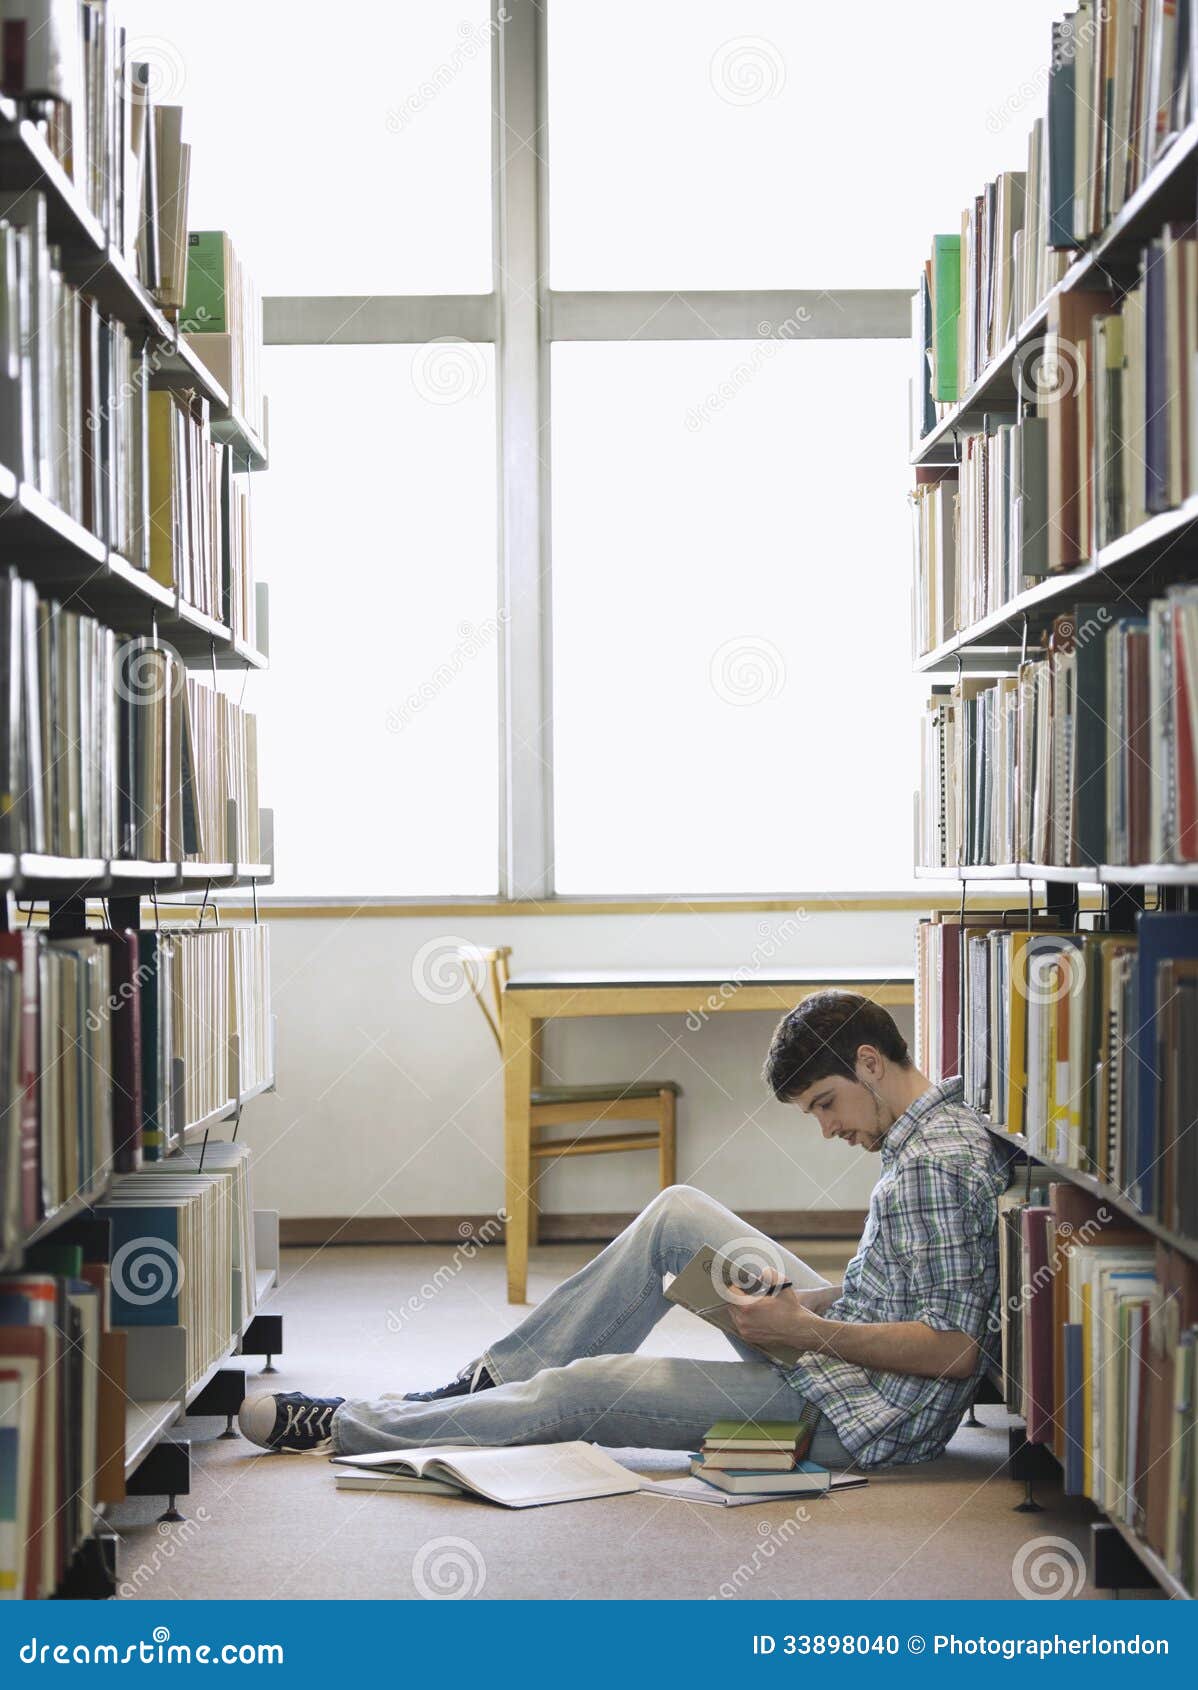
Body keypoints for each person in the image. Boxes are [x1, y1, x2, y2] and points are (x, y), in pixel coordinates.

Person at [238, 990, 1007, 1470]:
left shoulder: (929, 1168)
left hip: (858, 1418)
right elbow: (902, 1285)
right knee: (676, 1213)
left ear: (870, 1063)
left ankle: (353, 1424)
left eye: (825, 1104)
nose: (828, 1128)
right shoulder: (930, 1127)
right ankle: (492, 1382)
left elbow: (955, 1348)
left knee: (582, 1392)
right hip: (833, 1351)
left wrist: (803, 1331)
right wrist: (805, 1304)